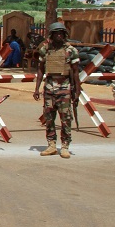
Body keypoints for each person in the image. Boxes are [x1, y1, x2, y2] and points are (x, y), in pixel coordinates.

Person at [32, 22, 81, 158]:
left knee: (66, 118)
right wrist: (36, 89)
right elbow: (40, 70)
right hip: (49, 89)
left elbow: (76, 73)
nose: (59, 35)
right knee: (49, 118)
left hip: (64, 88)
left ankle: (65, 146)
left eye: (61, 33)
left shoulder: (71, 51)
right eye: (56, 33)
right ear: (51, 35)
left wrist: (77, 91)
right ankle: (51, 145)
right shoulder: (45, 50)